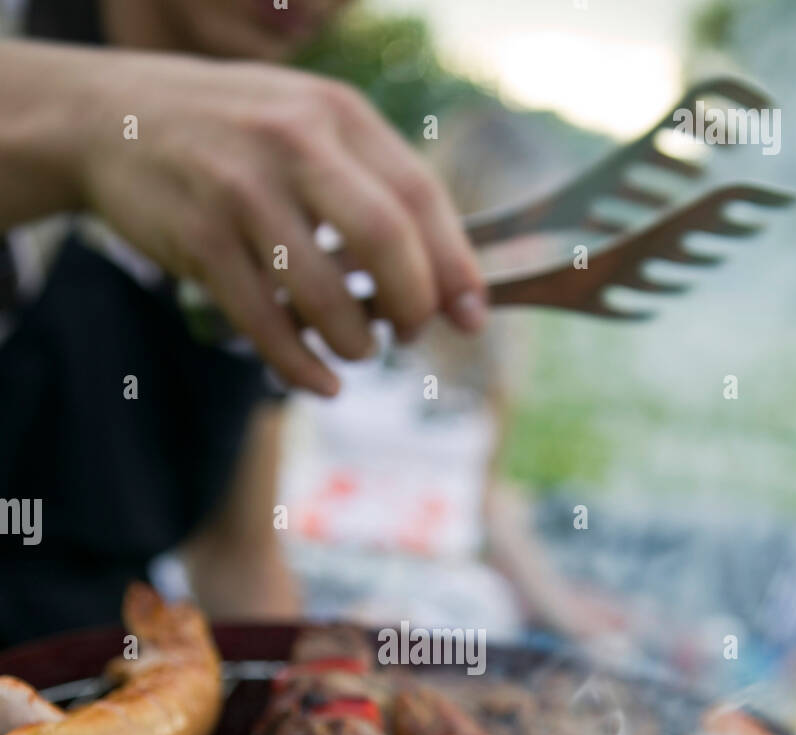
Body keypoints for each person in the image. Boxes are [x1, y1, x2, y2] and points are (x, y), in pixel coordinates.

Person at [0, 0, 487, 646]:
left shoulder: (266, 199)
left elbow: (237, 556)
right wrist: (103, 118)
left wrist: (315, 702)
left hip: (116, 697)